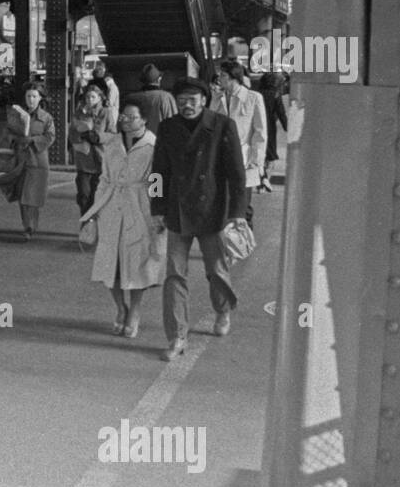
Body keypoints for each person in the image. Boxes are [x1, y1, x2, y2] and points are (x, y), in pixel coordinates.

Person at [150, 78, 248, 361]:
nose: (187, 105)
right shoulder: (168, 128)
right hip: (176, 211)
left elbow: (237, 175)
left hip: (212, 212)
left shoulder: (222, 125)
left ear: (204, 100)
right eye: (182, 100)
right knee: (174, 274)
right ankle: (177, 336)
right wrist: (156, 207)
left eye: (193, 99)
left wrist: (237, 214)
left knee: (216, 271)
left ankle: (222, 310)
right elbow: (158, 171)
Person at [81, 102, 165, 338]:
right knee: (110, 263)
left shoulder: (153, 146)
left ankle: (135, 312)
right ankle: (120, 308)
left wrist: (156, 209)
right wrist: (97, 209)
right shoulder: (112, 145)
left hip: (141, 206)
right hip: (111, 206)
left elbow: (157, 179)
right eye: (123, 117)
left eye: (131, 117)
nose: (125, 121)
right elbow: (104, 179)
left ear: (144, 120)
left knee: (137, 262)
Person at [0, 80, 54, 241]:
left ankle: (30, 227)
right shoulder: (17, 115)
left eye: (34, 96)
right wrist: (16, 139)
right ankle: (28, 226)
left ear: (40, 98)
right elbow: (7, 133)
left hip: (38, 161)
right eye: (28, 96)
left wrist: (32, 140)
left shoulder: (46, 118)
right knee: (23, 197)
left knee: (32, 197)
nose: (31, 99)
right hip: (20, 160)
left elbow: (50, 137)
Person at [209, 59, 268, 227]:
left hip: (244, 158)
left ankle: (243, 243)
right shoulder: (218, 97)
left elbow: (260, 131)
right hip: (220, 158)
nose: (219, 78)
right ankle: (227, 244)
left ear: (234, 77)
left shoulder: (253, 98)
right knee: (222, 202)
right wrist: (214, 99)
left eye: (223, 75)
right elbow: (210, 125)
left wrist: (256, 160)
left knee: (242, 205)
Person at [70, 81, 111, 218]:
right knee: (83, 195)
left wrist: (97, 136)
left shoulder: (105, 113)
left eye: (93, 97)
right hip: (84, 158)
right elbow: (72, 133)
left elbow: (112, 134)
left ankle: (96, 224)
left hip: (100, 158)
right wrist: (79, 136)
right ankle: (86, 222)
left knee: (97, 195)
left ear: (100, 98)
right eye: (88, 97)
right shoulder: (79, 113)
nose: (90, 100)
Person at [126, 63, 178, 136]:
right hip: (159, 143)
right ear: (159, 79)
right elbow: (174, 125)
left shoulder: (130, 98)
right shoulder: (166, 97)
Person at [258, 67, 289, 164]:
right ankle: (266, 173)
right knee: (270, 149)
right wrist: (287, 127)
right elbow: (281, 113)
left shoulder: (257, 94)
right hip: (270, 125)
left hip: (258, 123)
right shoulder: (275, 95)